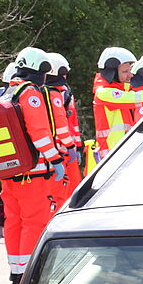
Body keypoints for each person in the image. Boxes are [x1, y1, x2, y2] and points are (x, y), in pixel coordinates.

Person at [0, 47, 68, 284]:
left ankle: (16, 274)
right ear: (40, 70)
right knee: (33, 222)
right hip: (33, 173)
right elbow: (38, 131)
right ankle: (29, 280)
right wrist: (56, 159)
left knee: (13, 223)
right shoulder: (29, 93)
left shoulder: (8, 91)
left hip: (9, 174)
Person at [92, 47, 143, 163]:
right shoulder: (104, 93)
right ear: (112, 72)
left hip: (121, 153)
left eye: (130, 71)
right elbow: (138, 97)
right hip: (111, 157)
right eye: (125, 71)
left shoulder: (122, 89)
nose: (130, 75)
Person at [44, 53, 83, 194]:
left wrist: (77, 146)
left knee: (73, 190)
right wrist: (71, 145)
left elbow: (73, 123)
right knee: (61, 192)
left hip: (66, 148)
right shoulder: (50, 94)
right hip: (59, 150)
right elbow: (60, 125)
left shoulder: (65, 92)